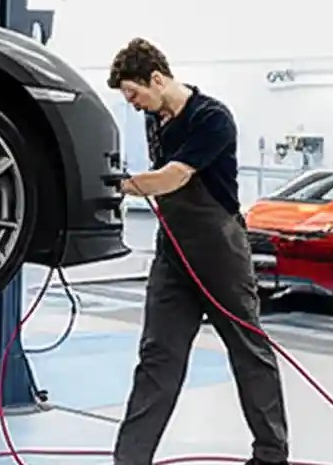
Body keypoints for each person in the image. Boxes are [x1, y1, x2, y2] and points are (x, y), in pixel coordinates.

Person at [106, 37, 289, 465]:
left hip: (219, 249)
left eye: (134, 94)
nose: (133, 105)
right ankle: (129, 461)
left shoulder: (212, 117)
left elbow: (173, 177)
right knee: (157, 357)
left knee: (248, 351)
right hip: (173, 252)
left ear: (157, 78)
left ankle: (271, 454)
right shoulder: (155, 119)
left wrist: (120, 185)